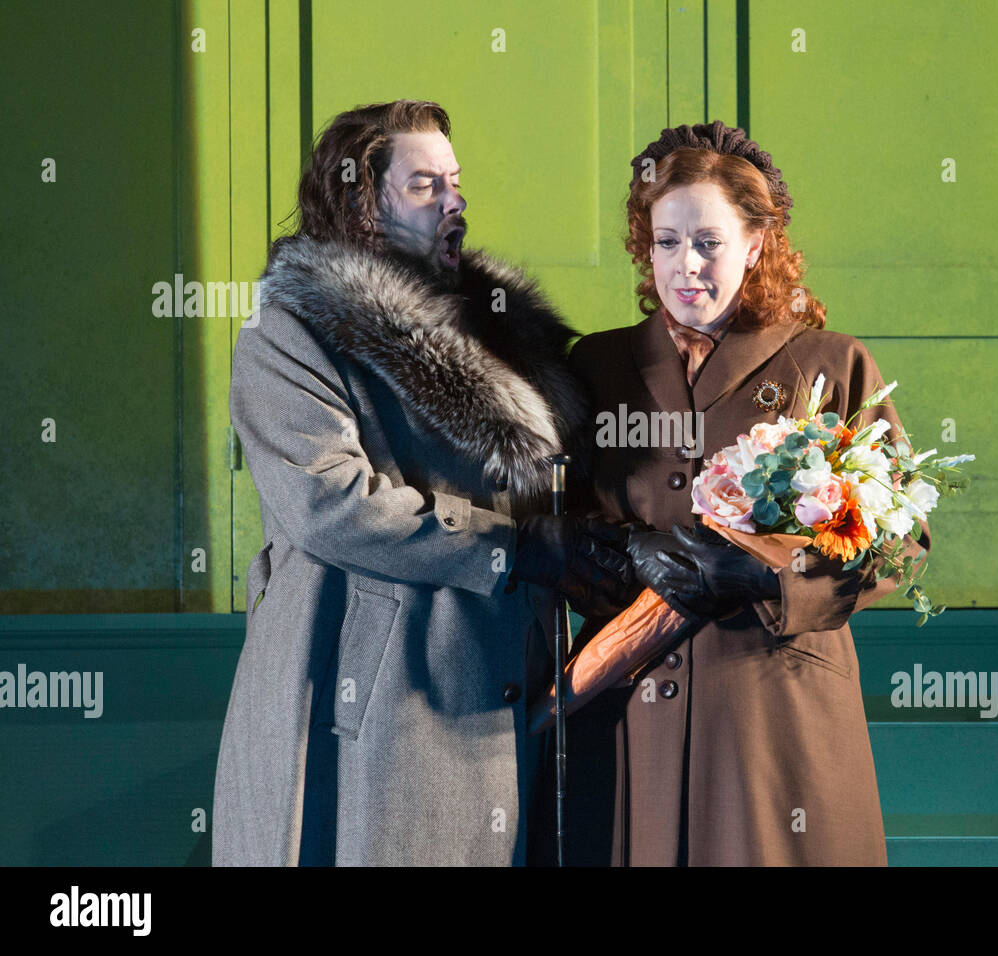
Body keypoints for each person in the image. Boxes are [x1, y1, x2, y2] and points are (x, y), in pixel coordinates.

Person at [212, 100, 633, 866]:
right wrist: (513, 547)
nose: (455, 202)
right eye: (425, 185)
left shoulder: (498, 325)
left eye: (456, 181)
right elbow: (328, 504)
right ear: (362, 204)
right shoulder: (291, 328)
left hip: (508, 685)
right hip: (376, 694)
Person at [534, 121, 933, 866]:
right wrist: (621, 553)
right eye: (666, 242)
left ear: (755, 244)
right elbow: (551, 529)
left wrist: (771, 576)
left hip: (774, 721)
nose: (686, 266)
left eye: (709, 242)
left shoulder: (833, 364)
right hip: (625, 716)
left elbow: (902, 541)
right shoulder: (594, 367)